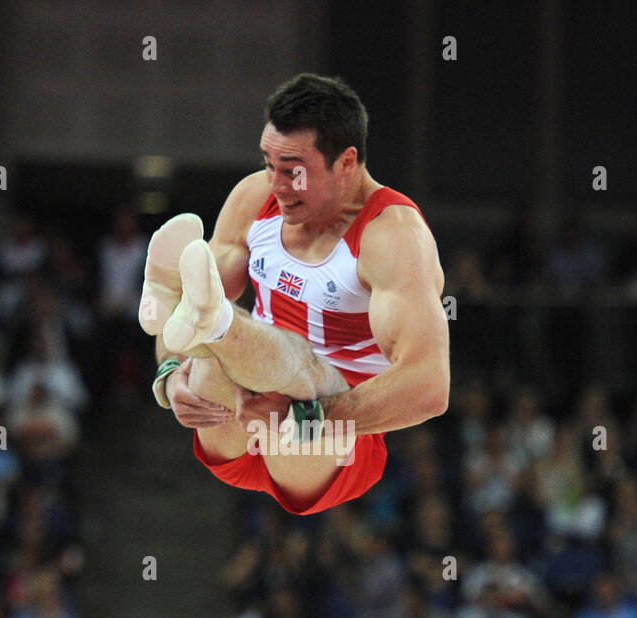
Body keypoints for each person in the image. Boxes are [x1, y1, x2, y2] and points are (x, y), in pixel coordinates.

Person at [138, 73, 449, 514]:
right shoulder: (254, 198)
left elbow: (430, 387)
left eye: (294, 171)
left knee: (302, 369)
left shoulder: (393, 236)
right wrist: (169, 374)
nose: (277, 184)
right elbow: (199, 296)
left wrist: (309, 418)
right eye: (270, 163)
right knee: (204, 346)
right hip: (234, 426)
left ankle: (222, 329)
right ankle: (213, 327)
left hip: (329, 446)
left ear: (346, 163)